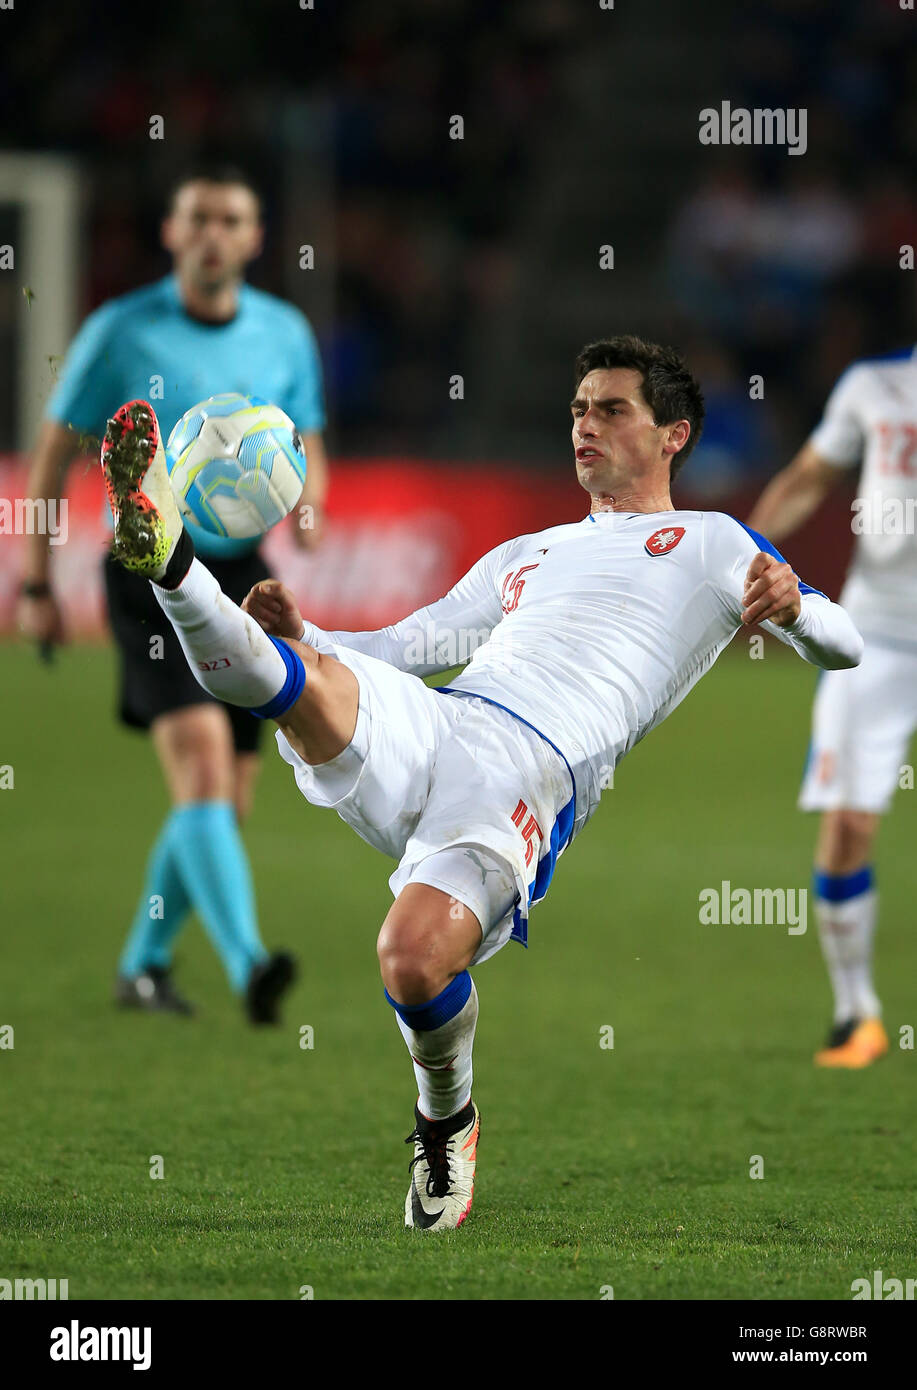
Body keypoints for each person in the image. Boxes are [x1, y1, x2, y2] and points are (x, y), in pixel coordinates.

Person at [99, 335, 862, 1229]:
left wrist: (795, 604)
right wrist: (312, 630)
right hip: (440, 717)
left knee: (412, 961)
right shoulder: (525, 554)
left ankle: (445, 1119)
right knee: (289, 674)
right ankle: (171, 561)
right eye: (578, 407)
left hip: (530, 773)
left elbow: (842, 648)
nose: (585, 425)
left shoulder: (710, 543)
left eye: (612, 409)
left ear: (673, 437)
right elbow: (403, 647)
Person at [17, 165, 329, 1022]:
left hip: (239, 572)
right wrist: (36, 577)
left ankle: (142, 967)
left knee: (227, 795)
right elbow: (51, 451)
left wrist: (312, 506)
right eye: (198, 218)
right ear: (172, 232)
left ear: (255, 238)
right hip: (146, 565)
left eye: (231, 219)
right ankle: (249, 965)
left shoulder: (284, 332)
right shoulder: (120, 329)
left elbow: (305, 436)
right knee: (199, 769)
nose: (213, 234)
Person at [747, 343, 917, 1068]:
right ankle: (857, 1015)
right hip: (875, 630)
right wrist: (748, 551)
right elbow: (810, 475)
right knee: (847, 820)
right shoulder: (874, 384)